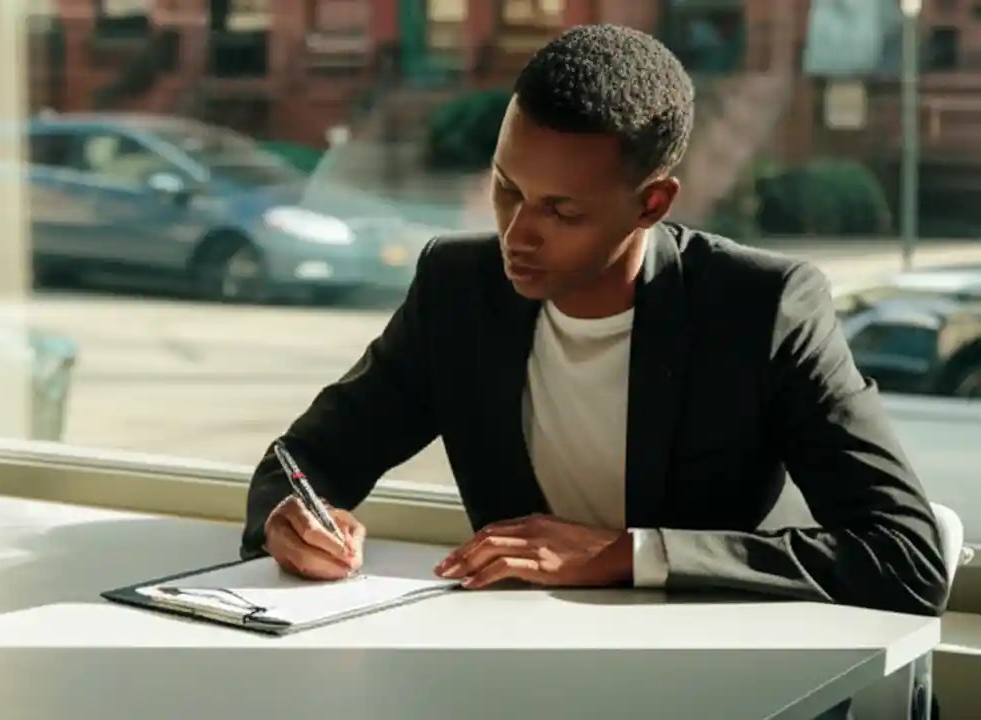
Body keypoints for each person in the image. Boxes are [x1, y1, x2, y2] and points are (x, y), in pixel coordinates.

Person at [240, 25, 949, 621]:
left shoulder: (764, 308)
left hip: (706, 675)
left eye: (562, 211)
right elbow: (307, 460)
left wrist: (625, 553)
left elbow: (905, 555)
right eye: (506, 188)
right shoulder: (458, 290)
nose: (518, 233)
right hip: (511, 661)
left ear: (652, 204)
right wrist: (291, 519)